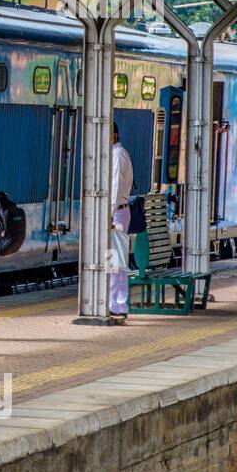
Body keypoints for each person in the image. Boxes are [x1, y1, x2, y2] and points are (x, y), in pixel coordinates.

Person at [109, 124, 134, 323]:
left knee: (113, 262)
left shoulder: (117, 155)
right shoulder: (119, 153)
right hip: (120, 212)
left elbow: (115, 185)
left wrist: (108, 214)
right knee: (117, 262)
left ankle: (113, 305)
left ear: (114, 134)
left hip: (116, 214)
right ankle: (119, 304)